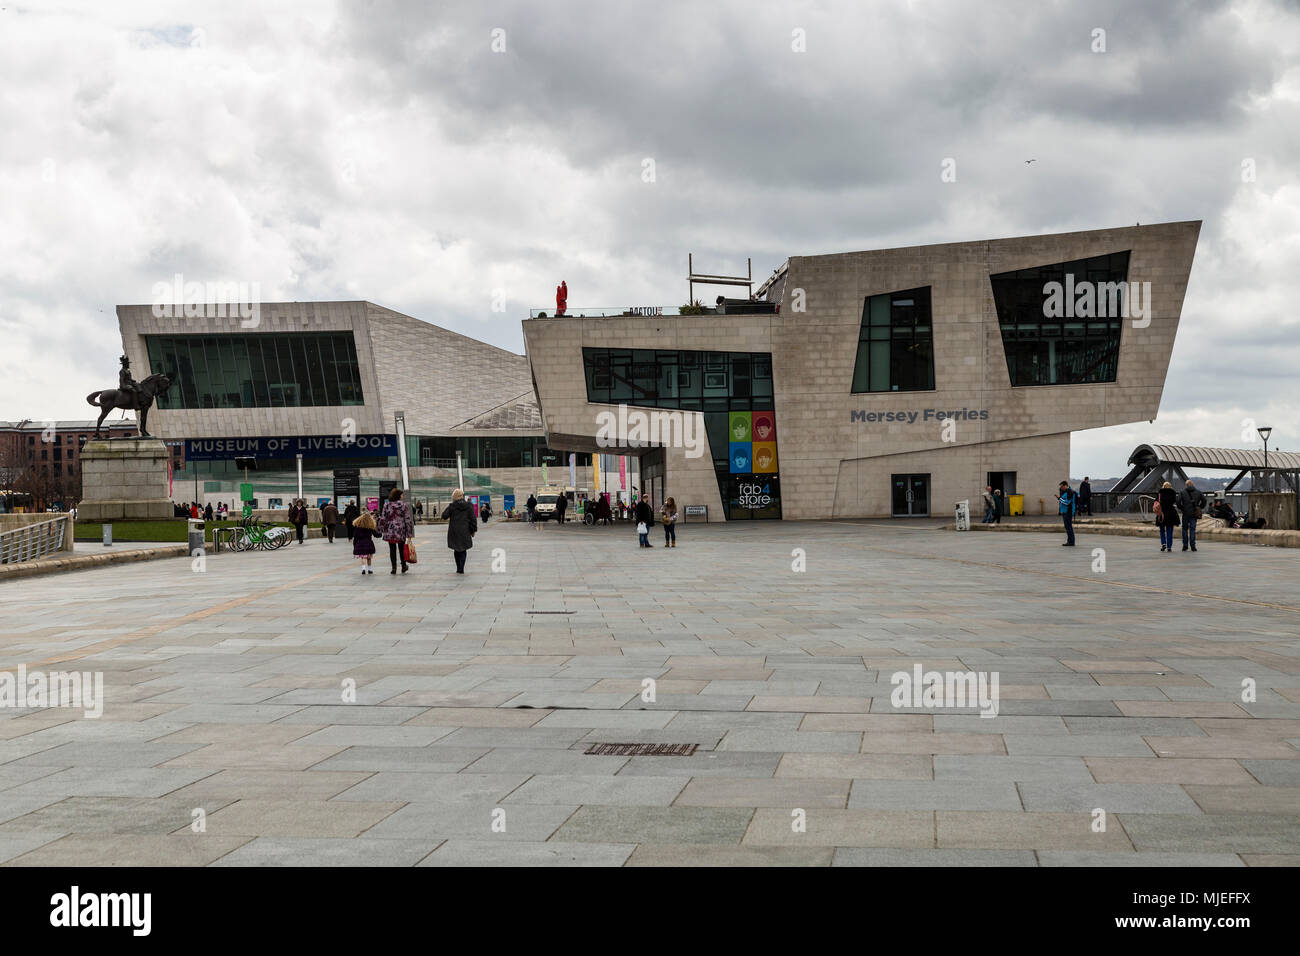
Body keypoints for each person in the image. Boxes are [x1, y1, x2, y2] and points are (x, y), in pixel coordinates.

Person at [378, 487, 414, 574]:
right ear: (398, 496)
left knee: (392, 549)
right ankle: (403, 566)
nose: (402, 496)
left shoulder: (387, 505)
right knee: (401, 548)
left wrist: (381, 529)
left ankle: (394, 568)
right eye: (401, 495)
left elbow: (383, 518)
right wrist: (409, 533)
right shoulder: (403, 505)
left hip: (390, 531)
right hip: (400, 530)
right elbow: (407, 519)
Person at [441, 488, 477, 574]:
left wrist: (451, 506)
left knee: (456, 549)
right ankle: (461, 567)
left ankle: (458, 567)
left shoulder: (452, 506)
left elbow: (444, 516)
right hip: (465, 530)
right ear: (462, 496)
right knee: (463, 549)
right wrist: (473, 530)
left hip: (454, 531)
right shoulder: (469, 506)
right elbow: (473, 519)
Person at [1176, 479, 1206, 552]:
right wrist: (1199, 507)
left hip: (1186, 513)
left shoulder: (1182, 492)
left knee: (1185, 529)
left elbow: (1178, 502)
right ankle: (1193, 546)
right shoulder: (1198, 492)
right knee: (1192, 529)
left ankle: (1185, 546)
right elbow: (1204, 500)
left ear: (1186, 485)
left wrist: (1182, 508)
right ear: (1193, 484)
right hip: (1194, 513)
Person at [1155, 480, 1180, 552]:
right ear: (1170, 486)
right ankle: (1169, 546)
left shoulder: (1160, 493)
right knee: (1169, 530)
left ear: (1163, 486)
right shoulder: (1173, 493)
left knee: (1162, 530)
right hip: (1171, 513)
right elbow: (1174, 501)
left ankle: (1163, 543)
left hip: (1161, 513)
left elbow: (1156, 502)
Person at [352, 508, 378, 574]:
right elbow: (376, 534)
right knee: (369, 557)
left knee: (363, 557)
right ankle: (370, 569)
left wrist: (354, 544)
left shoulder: (358, 528)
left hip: (360, 543)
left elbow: (355, 537)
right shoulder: (370, 527)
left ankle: (363, 569)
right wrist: (381, 533)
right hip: (369, 543)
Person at [1055, 480, 1077, 547]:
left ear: (1065, 485)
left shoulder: (1070, 492)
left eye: (1062, 487)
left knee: (1069, 527)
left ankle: (1071, 542)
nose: (1061, 488)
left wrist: (1059, 498)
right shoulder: (1066, 492)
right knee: (1067, 527)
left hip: (1068, 511)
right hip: (1065, 511)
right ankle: (1069, 541)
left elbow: (1067, 503)